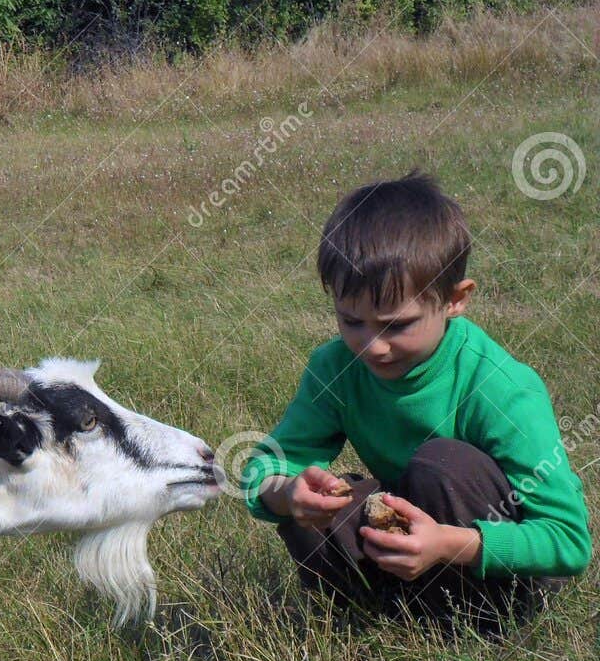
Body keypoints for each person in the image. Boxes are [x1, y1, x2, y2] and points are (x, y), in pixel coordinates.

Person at [240, 172, 590, 632]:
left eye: (396, 325)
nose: (371, 347)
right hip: (415, 532)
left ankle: (470, 621)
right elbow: (264, 468)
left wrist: (448, 544)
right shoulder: (336, 367)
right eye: (352, 321)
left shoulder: (502, 387)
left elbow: (568, 542)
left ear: (455, 300)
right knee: (316, 502)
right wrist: (288, 494)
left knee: (442, 463)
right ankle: (379, 612)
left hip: (500, 564)